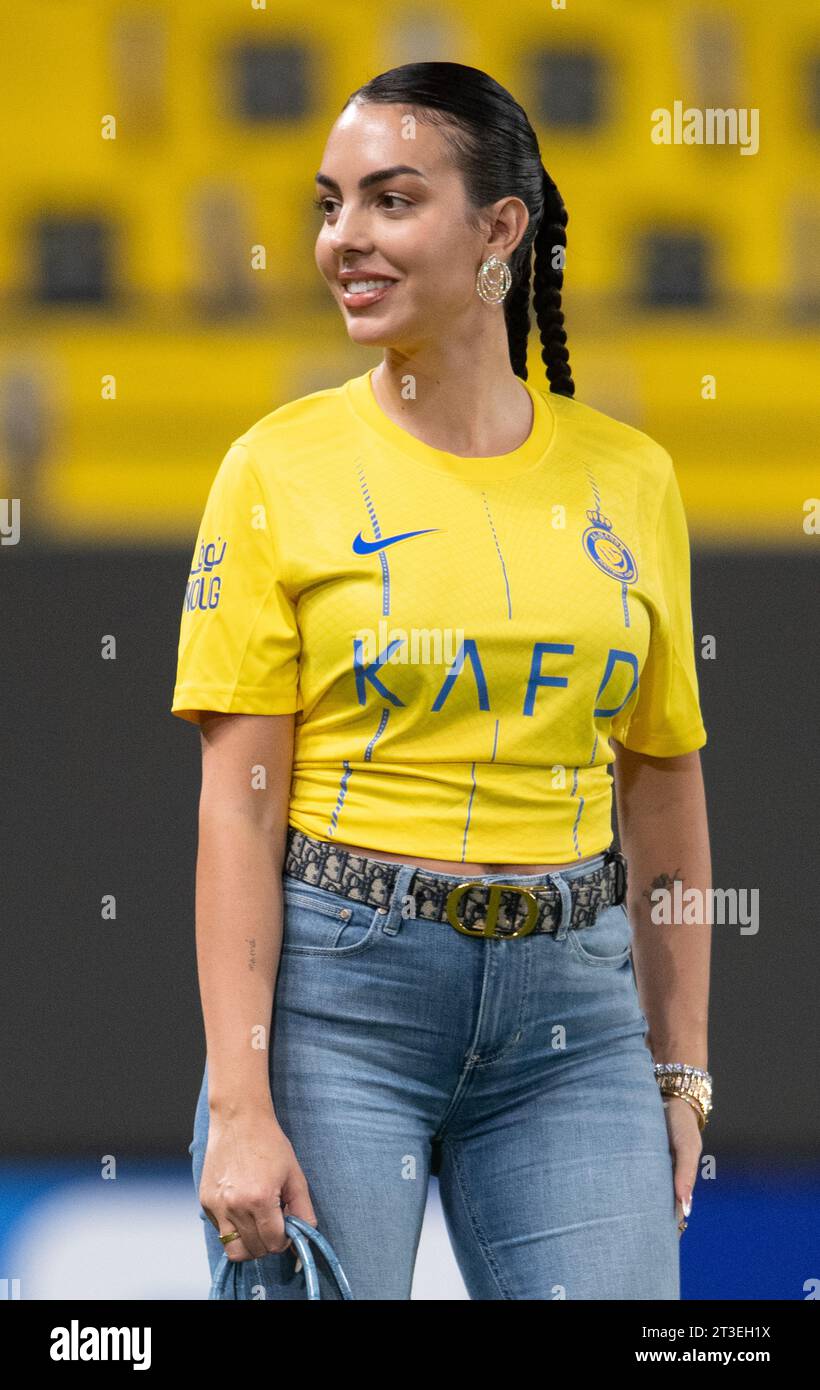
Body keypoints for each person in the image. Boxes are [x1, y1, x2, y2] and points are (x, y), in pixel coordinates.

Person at [171, 61, 712, 1301]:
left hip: (571, 1024)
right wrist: (241, 1106)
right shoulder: (274, 471)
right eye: (328, 204)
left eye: (389, 201)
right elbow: (238, 808)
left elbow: (664, 778)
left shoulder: (631, 478)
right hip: (337, 1006)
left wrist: (679, 1069)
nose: (341, 239)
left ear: (500, 230)